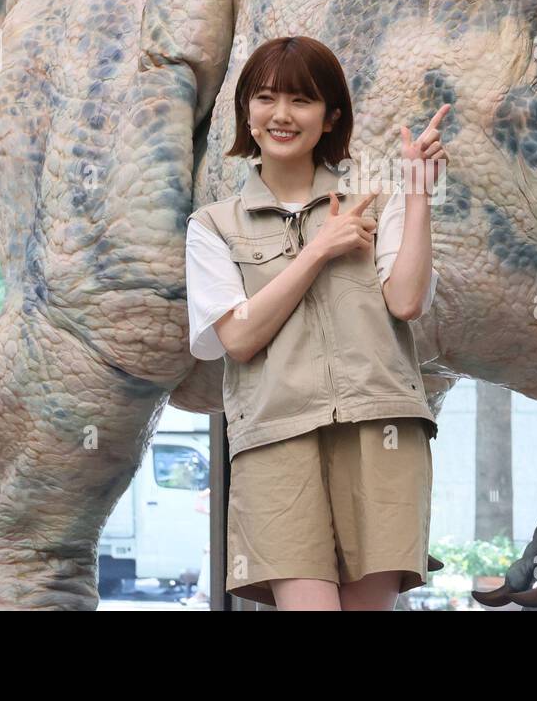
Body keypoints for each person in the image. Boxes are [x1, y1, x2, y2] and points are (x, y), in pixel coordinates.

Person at [185, 35, 450, 611]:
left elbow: (406, 302)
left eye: (301, 100)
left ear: (330, 117)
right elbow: (238, 337)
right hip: (275, 441)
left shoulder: (375, 202)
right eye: (265, 98)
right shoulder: (212, 227)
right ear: (246, 113)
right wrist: (319, 250)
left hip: (380, 427)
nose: (281, 115)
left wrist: (419, 194)